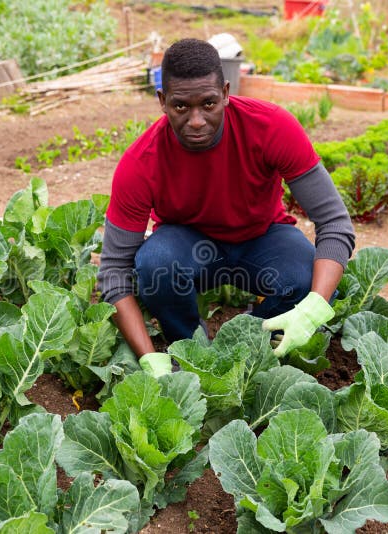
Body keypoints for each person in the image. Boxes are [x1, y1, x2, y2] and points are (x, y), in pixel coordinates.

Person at [96, 38, 355, 377]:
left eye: (208, 103)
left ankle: (248, 345)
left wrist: (314, 306)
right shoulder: (141, 163)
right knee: (155, 265)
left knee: (311, 280)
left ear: (226, 93)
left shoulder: (270, 127)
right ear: (162, 102)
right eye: (180, 107)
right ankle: (187, 349)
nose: (197, 120)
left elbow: (334, 222)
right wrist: (147, 356)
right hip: (187, 246)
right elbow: (113, 271)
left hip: (262, 238)